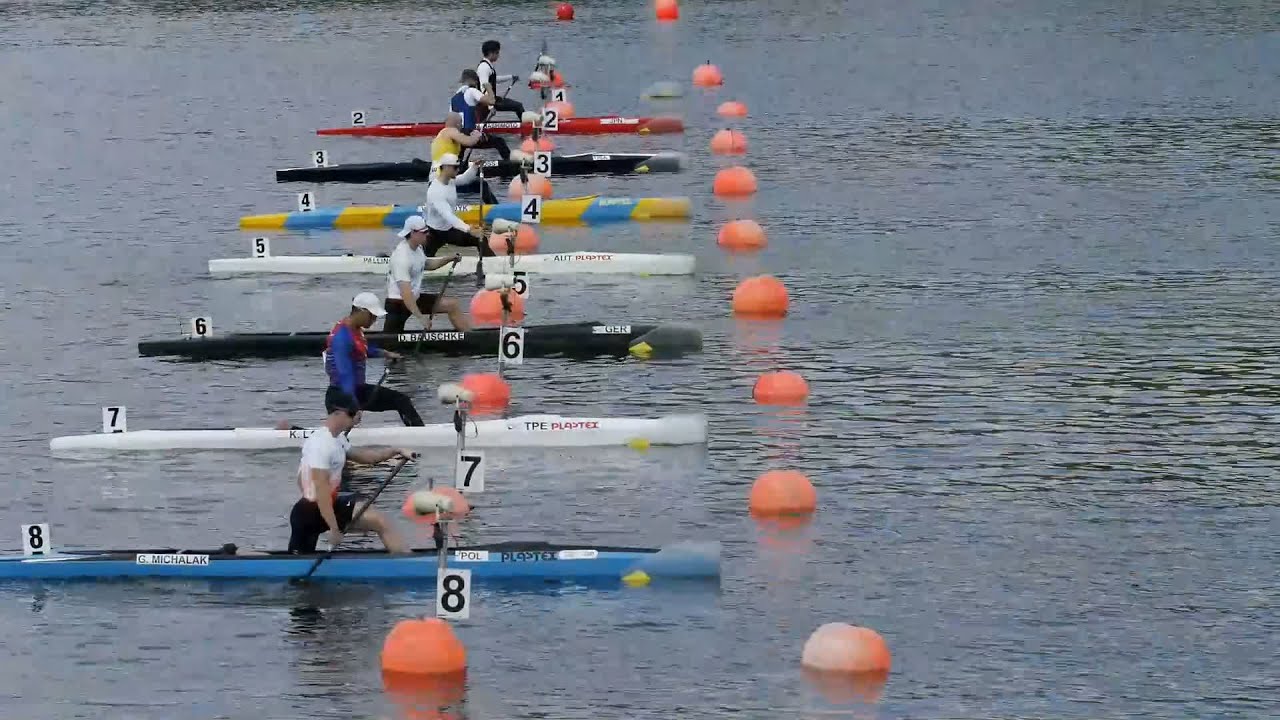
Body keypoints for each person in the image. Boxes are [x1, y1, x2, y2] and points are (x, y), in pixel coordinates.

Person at [288, 394, 415, 555]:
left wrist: (396, 450)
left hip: (330, 503)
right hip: (310, 512)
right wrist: (334, 529)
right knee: (296, 560)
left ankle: (407, 560)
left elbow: (365, 457)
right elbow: (321, 491)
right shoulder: (320, 444)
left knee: (380, 520)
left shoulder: (338, 438)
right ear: (338, 412)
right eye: (353, 413)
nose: (357, 418)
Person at [324, 292, 426, 426]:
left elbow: (360, 349)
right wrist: (352, 406)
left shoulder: (353, 329)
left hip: (357, 390)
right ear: (361, 311)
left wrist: (385, 353)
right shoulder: (342, 337)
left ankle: (418, 431)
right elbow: (344, 374)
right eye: (372, 316)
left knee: (401, 400)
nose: (374, 320)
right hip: (341, 396)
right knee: (344, 431)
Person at [384, 215, 472, 332]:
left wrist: (449, 259)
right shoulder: (402, 257)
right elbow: (406, 293)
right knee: (389, 340)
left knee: (452, 305)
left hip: (415, 298)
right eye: (424, 232)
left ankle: (469, 336)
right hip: (398, 304)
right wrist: (421, 318)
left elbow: (428, 265)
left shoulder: (418, 249)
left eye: (427, 231)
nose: (428, 234)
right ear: (413, 233)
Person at [423, 153, 497, 261]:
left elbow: (464, 179)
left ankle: (491, 263)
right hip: (435, 232)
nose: (458, 170)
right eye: (455, 167)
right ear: (446, 167)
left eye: (458, 167)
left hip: (449, 229)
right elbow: (448, 215)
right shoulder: (436, 191)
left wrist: (474, 167)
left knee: (480, 238)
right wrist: (469, 229)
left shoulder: (450, 181)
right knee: (423, 259)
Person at [431, 112, 498, 204]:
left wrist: (474, 166)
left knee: (476, 183)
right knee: (481, 184)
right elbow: (469, 141)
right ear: (458, 124)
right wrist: (476, 136)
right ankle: (495, 209)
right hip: (442, 178)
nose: (462, 126)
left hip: (436, 178)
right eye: (461, 123)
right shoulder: (450, 131)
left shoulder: (441, 137)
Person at [451, 68, 511, 160]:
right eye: (476, 82)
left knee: (460, 150)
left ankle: (457, 163)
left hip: (457, 135)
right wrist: (489, 88)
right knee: (499, 142)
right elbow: (491, 101)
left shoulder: (454, 98)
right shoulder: (471, 91)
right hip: (469, 134)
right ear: (474, 81)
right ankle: (509, 165)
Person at [477, 40, 526, 121]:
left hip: (492, 99)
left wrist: (510, 77)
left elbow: (494, 80)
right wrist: (491, 107)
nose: (498, 56)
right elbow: (484, 87)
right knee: (518, 106)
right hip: (487, 101)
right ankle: (526, 124)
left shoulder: (488, 65)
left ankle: (525, 122)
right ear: (491, 53)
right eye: (497, 53)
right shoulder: (484, 67)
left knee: (517, 105)